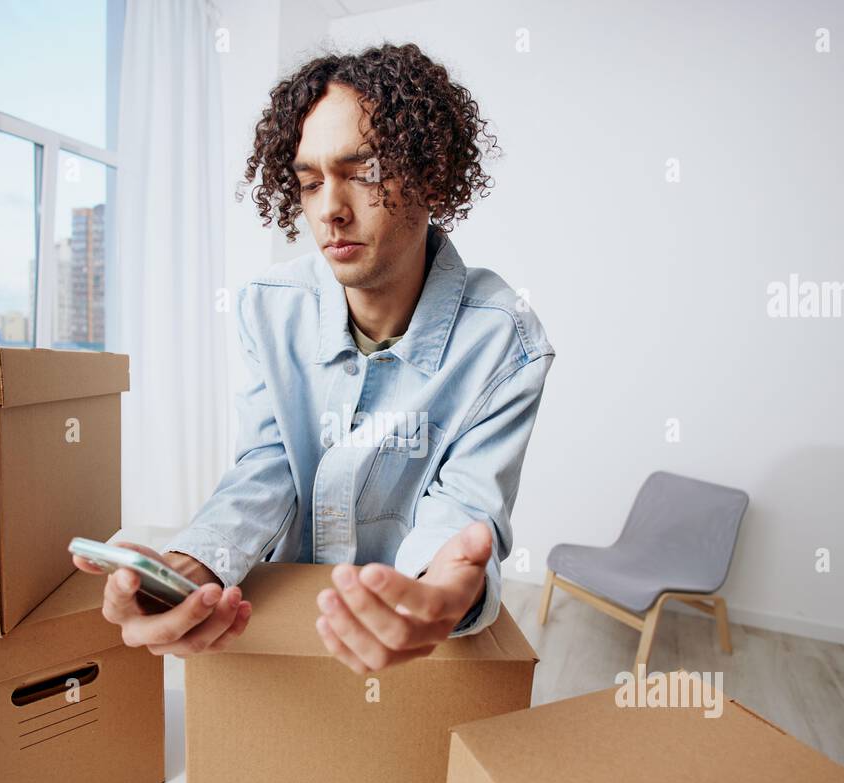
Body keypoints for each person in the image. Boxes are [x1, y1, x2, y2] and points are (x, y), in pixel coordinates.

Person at [75, 43, 554, 674]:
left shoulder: (505, 342)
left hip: (426, 659)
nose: (329, 208)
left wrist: (439, 595)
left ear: (431, 177)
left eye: (363, 172)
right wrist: (195, 563)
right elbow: (267, 465)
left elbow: (464, 512)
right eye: (308, 183)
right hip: (283, 627)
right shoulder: (268, 309)